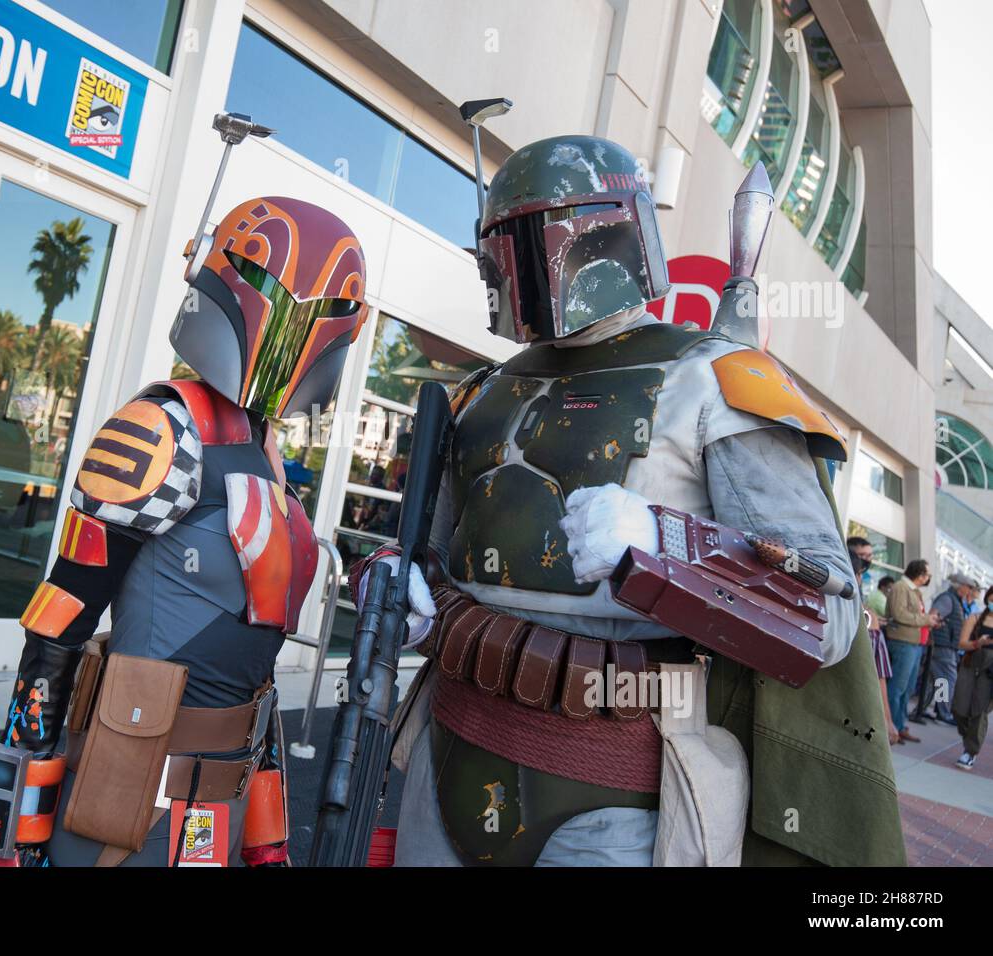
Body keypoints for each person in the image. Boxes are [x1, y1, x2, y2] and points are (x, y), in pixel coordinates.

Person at [356, 134, 903, 867]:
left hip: (616, 788)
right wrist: (404, 581)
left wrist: (666, 546)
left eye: (530, 239)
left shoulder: (716, 383)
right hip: (449, 747)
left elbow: (828, 615)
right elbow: (436, 553)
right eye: (502, 247)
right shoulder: (485, 392)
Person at [0, 191, 370, 866]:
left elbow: (257, 664)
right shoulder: (160, 427)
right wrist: (19, 816)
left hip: (218, 791)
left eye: (329, 310)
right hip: (129, 781)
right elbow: (62, 615)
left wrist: (266, 829)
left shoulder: (262, 447)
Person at [884, 559, 940, 742]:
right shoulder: (901, 587)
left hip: (914, 644)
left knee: (906, 688)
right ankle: (890, 726)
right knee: (897, 687)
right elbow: (899, 614)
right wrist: (925, 620)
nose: (928, 578)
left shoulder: (913, 591)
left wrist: (928, 620)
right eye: (927, 574)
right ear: (919, 573)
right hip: (903, 643)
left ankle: (900, 725)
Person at [918, 572, 978, 726]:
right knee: (947, 679)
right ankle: (942, 712)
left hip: (945, 645)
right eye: (969, 587)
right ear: (961, 586)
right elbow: (933, 615)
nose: (971, 591)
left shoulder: (953, 599)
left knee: (941, 680)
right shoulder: (948, 599)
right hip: (943, 646)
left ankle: (938, 710)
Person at [853, 553, 897, 745]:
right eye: (861, 572)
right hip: (856, 711)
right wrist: (887, 720)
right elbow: (878, 675)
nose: (861, 578)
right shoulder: (867, 620)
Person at [952, 586, 993, 770]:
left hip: (989, 673)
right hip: (969, 666)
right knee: (959, 709)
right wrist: (979, 643)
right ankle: (968, 738)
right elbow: (962, 643)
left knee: (979, 712)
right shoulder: (975, 618)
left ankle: (970, 751)